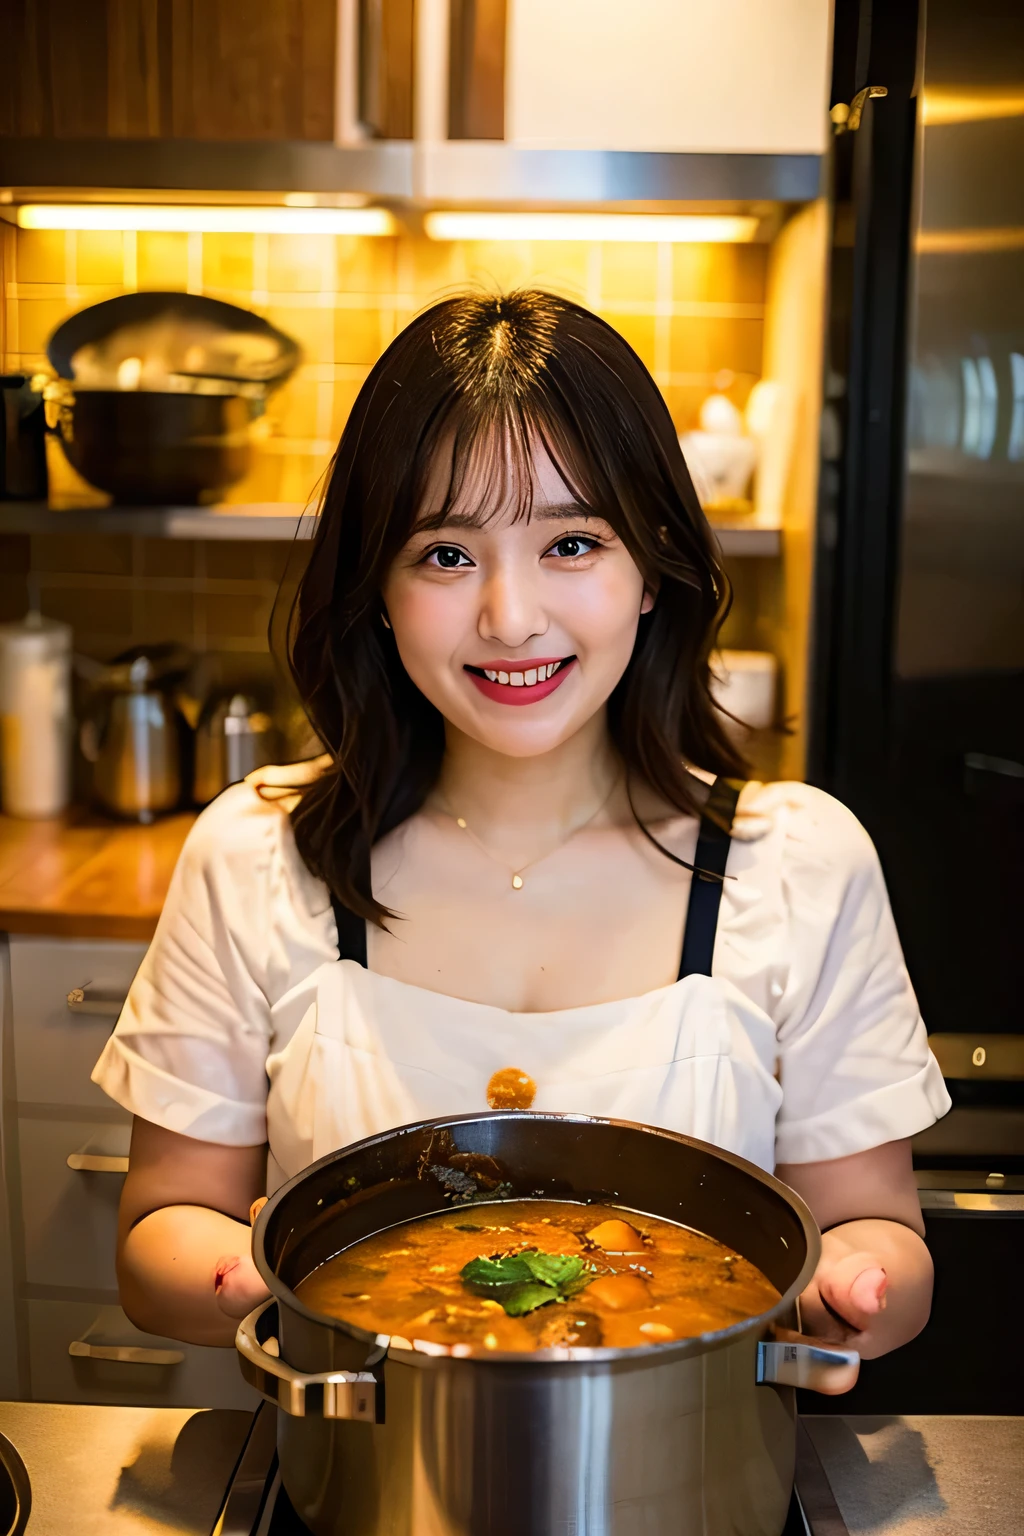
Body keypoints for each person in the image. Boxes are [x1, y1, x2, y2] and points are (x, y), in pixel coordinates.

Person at [94, 290, 950, 1383]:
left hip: (693, 1480)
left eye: (572, 543)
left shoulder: (801, 862)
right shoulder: (257, 853)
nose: (509, 616)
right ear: (379, 590)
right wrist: (243, 1277)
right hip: (357, 1479)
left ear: (653, 570)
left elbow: (881, 1234)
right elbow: (161, 1230)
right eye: (446, 555)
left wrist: (851, 1288)